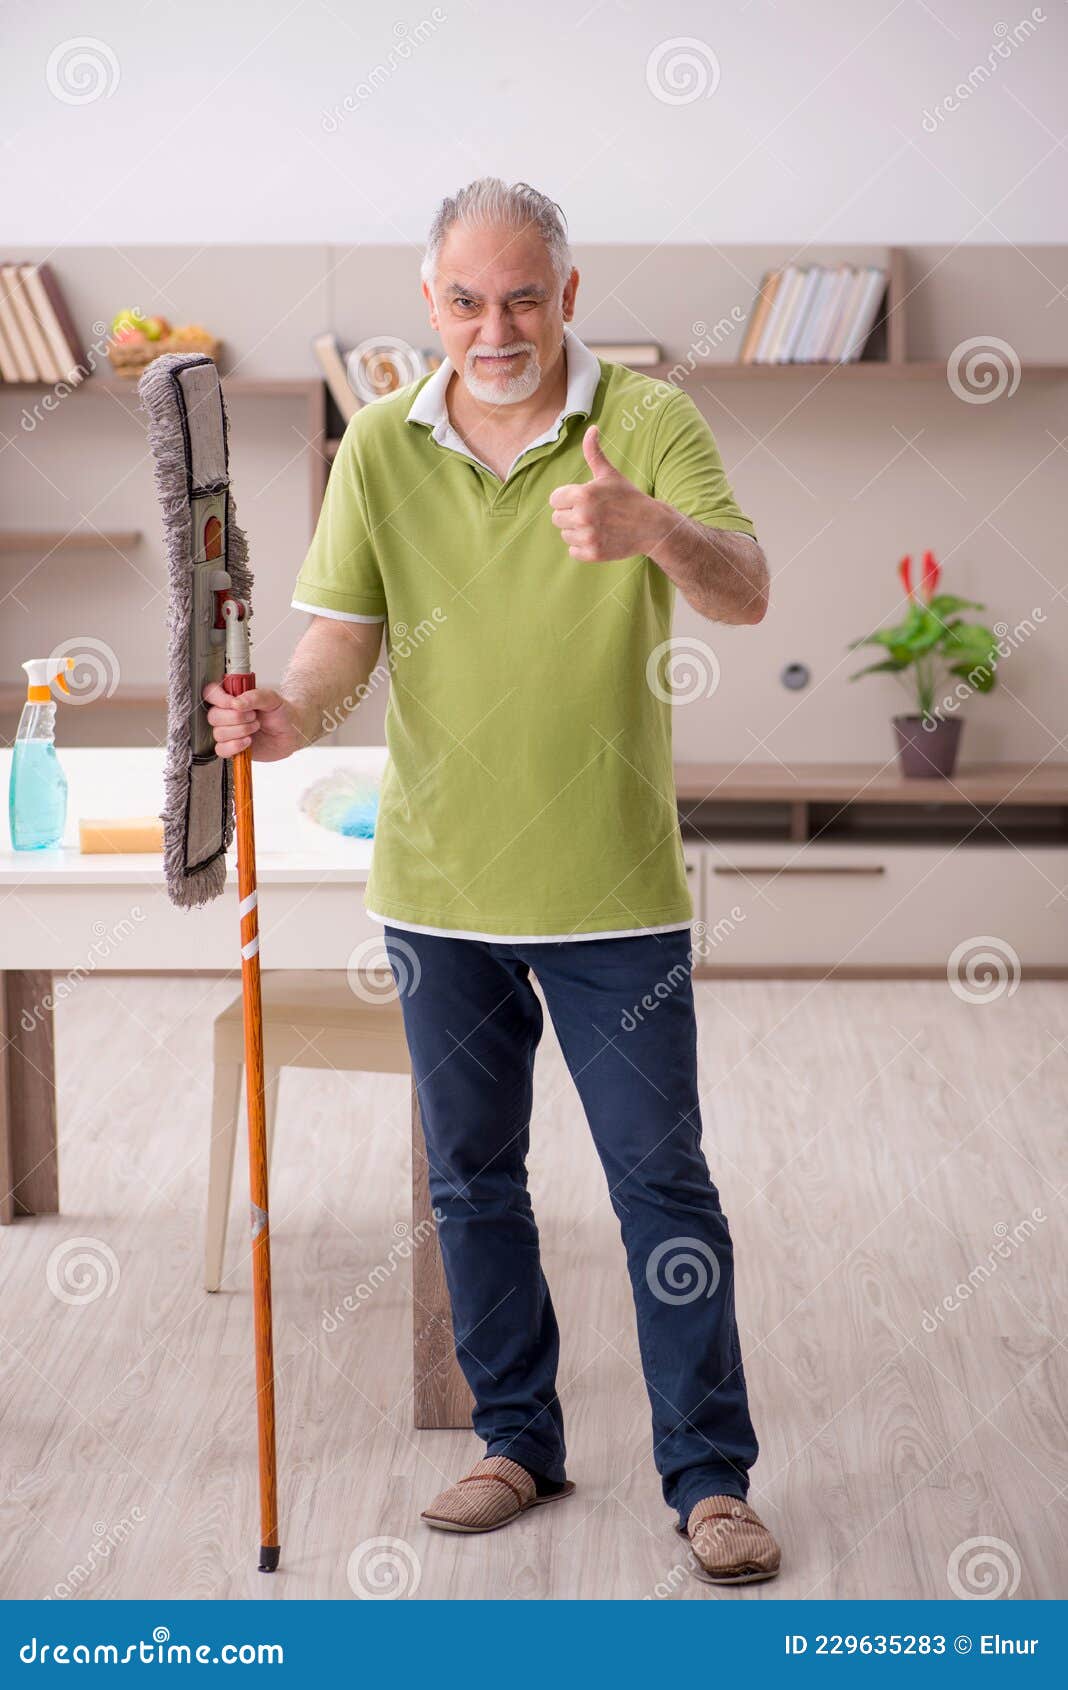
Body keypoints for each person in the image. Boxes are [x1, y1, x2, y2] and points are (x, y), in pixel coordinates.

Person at [204, 178, 780, 1587]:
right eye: (466, 299)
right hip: (439, 888)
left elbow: (747, 585)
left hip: (612, 891)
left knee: (662, 1185)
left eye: (523, 294)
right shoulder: (382, 448)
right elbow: (344, 643)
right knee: (471, 1181)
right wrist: (285, 713)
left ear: (568, 296)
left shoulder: (644, 424)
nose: (496, 324)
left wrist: (653, 531)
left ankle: (710, 1475)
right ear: (432, 306)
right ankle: (516, 1436)